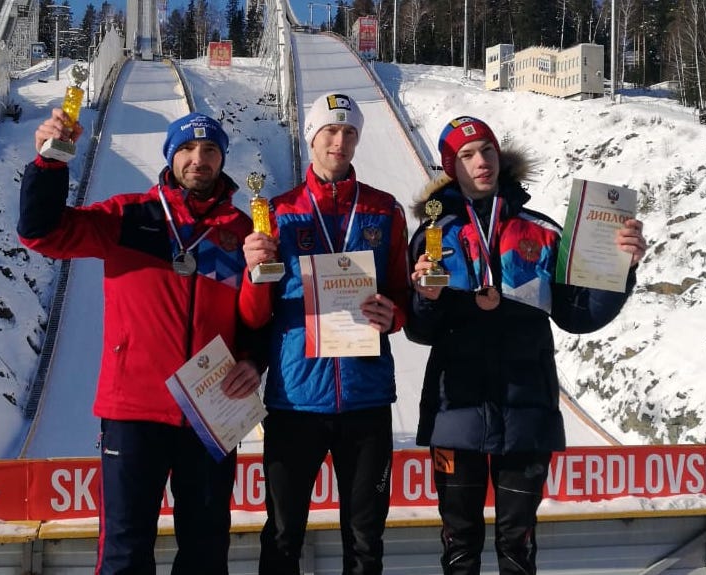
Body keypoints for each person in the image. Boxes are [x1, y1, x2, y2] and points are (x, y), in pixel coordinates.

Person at [18, 110, 263, 574]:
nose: (199, 159)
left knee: (207, 550)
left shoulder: (241, 231)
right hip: (134, 410)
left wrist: (254, 358)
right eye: (187, 150)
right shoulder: (128, 216)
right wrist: (48, 164)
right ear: (171, 157)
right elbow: (42, 234)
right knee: (126, 551)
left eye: (210, 150)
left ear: (222, 158)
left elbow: (258, 311)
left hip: (212, 411)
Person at [405, 116, 648, 575]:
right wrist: (427, 298)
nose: (481, 162)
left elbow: (579, 314)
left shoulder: (543, 231)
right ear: (449, 166)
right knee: (459, 549)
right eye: (467, 155)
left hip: (527, 410)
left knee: (519, 548)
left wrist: (621, 268)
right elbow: (418, 330)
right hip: (455, 408)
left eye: (488, 150)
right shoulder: (433, 236)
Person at [239, 93, 411, 575]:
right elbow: (255, 317)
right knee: (281, 535)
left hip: (365, 398)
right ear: (312, 136)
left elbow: (403, 297)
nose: (340, 141)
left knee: (365, 539)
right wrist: (255, 273)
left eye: (350, 132)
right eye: (330, 131)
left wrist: (391, 314)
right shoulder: (276, 212)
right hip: (296, 400)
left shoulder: (384, 211)